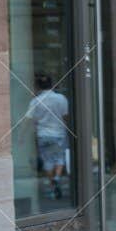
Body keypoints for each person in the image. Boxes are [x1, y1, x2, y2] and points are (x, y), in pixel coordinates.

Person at [26, 72, 71, 200]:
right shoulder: (61, 98)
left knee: (47, 161)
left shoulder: (35, 101)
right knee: (59, 158)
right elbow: (65, 116)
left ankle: (52, 185)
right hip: (59, 133)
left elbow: (29, 119)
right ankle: (57, 178)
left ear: (38, 86)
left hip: (43, 135)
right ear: (52, 85)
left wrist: (22, 135)